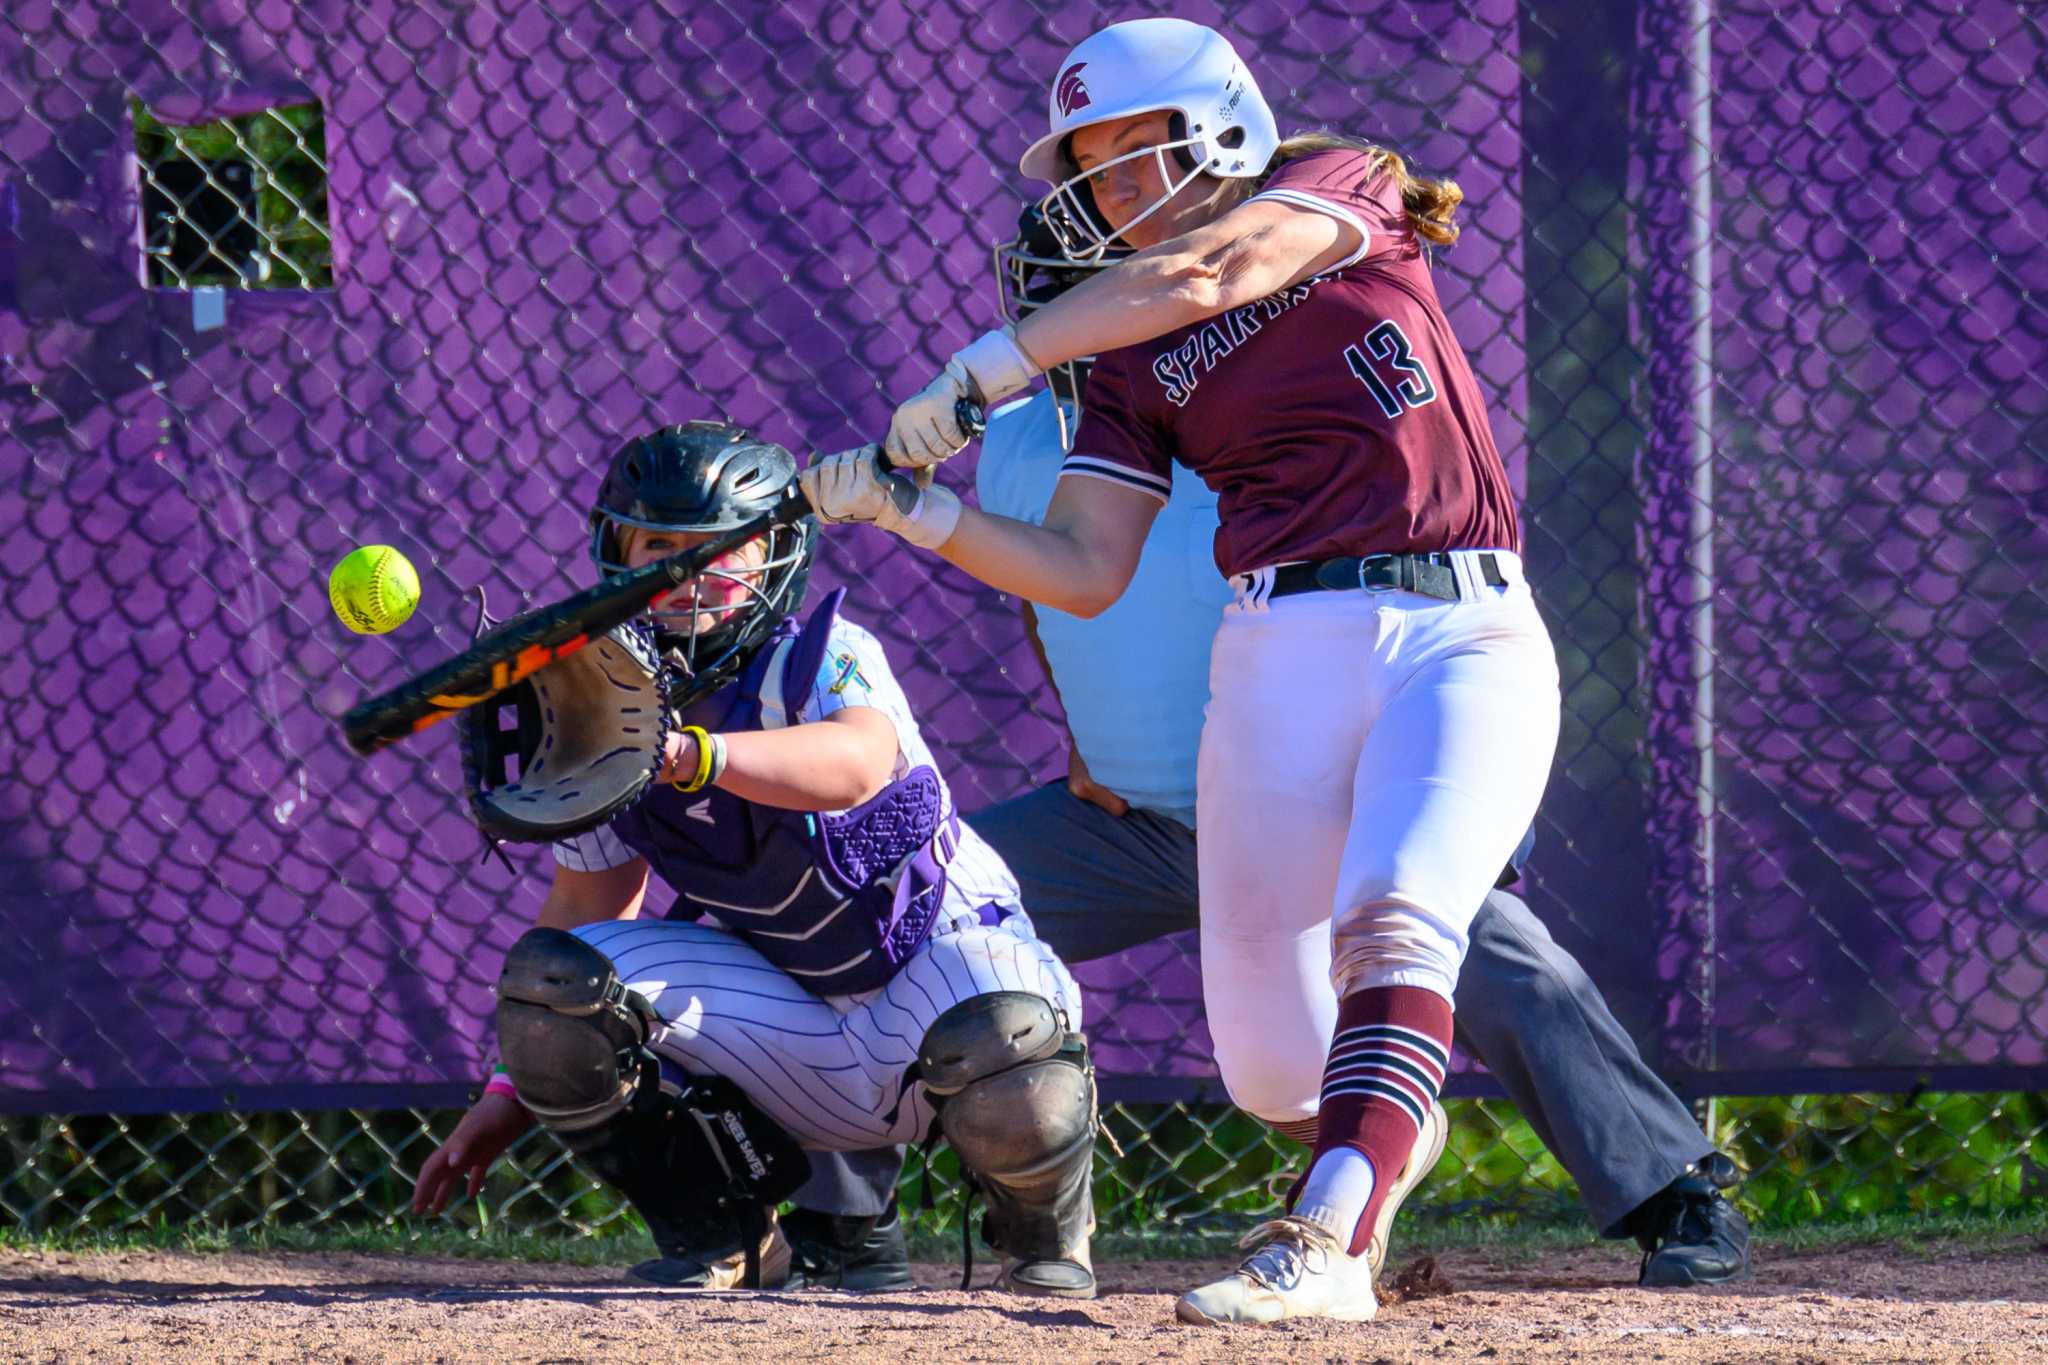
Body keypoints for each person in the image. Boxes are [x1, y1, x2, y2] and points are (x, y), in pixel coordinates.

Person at [802, 15, 1565, 1324]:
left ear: (1219, 128)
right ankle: (1368, 1129)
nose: (1101, 194)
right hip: (1279, 654)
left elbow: (1219, 267)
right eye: (1085, 169)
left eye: (1125, 155)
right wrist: (914, 512)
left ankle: (1325, 1237)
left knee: (1401, 911)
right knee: (1276, 1065)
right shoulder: (1126, 354)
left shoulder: (1335, 183)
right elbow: (1088, 566)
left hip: (1459, 632)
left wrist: (991, 364)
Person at [967, 205, 1750, 1292]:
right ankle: (835, 1223)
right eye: (1049, 288)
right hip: (1135, 816)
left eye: (1092, 284)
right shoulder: (1021, 441)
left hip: (1327, 780)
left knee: (1481, 957)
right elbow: (1045, 597)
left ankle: (1670, 1188)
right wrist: (1084, 738)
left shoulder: (1237, 397)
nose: (1063, 311)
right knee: (925, 902)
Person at [411, 421, 1101, 1300]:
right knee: (554, 984)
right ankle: (730, 1233)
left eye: (718, 550)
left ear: (774, 553)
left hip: (938, 973)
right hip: (794, 1026)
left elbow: (853, 766)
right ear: (614, 550)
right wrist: (511, 1084)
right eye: (658, 544)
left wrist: (693, 755)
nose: (684, 572)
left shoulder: (820, 657)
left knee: (1003, 1036)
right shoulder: (599, 697)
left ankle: (1045, 1236)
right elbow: (590, 908)